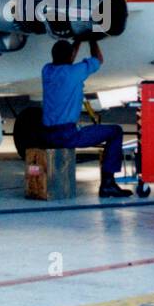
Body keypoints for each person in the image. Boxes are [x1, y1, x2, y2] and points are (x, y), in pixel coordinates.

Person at [40, 38, 132, 199]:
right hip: (67, 135)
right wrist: (91, 39)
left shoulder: (47, 71)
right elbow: (98, 60)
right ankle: (108, 184)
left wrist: (77, 40)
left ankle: (109, 184)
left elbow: (67, 60)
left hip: (47, 135)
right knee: (115, 131)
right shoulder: (75, 72)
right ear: (70, 57)